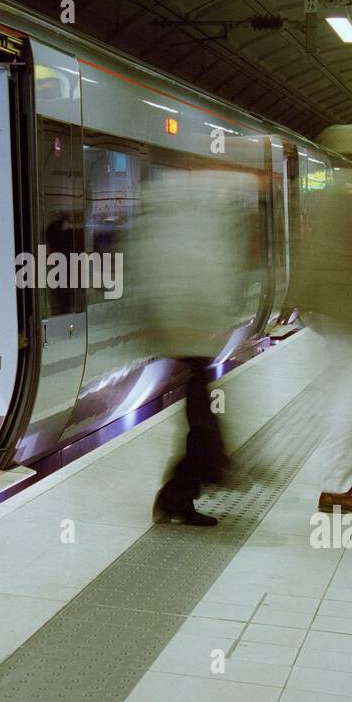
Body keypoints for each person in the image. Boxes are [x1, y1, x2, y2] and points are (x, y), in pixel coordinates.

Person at [134, 167, 246, 526]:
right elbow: (200, 281)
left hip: (186, 338)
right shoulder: (188, 230)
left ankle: (185, 491)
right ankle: (178, 493)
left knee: (202, 420)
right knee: (202, 424)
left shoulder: (163, 225)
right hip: (189, 339)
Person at [291, 169, 352, 515]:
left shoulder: (332, 207)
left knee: (346, 401)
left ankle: (336, 484)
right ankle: (336, 488)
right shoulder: (349, 210)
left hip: (333, 320)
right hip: (346, 323)